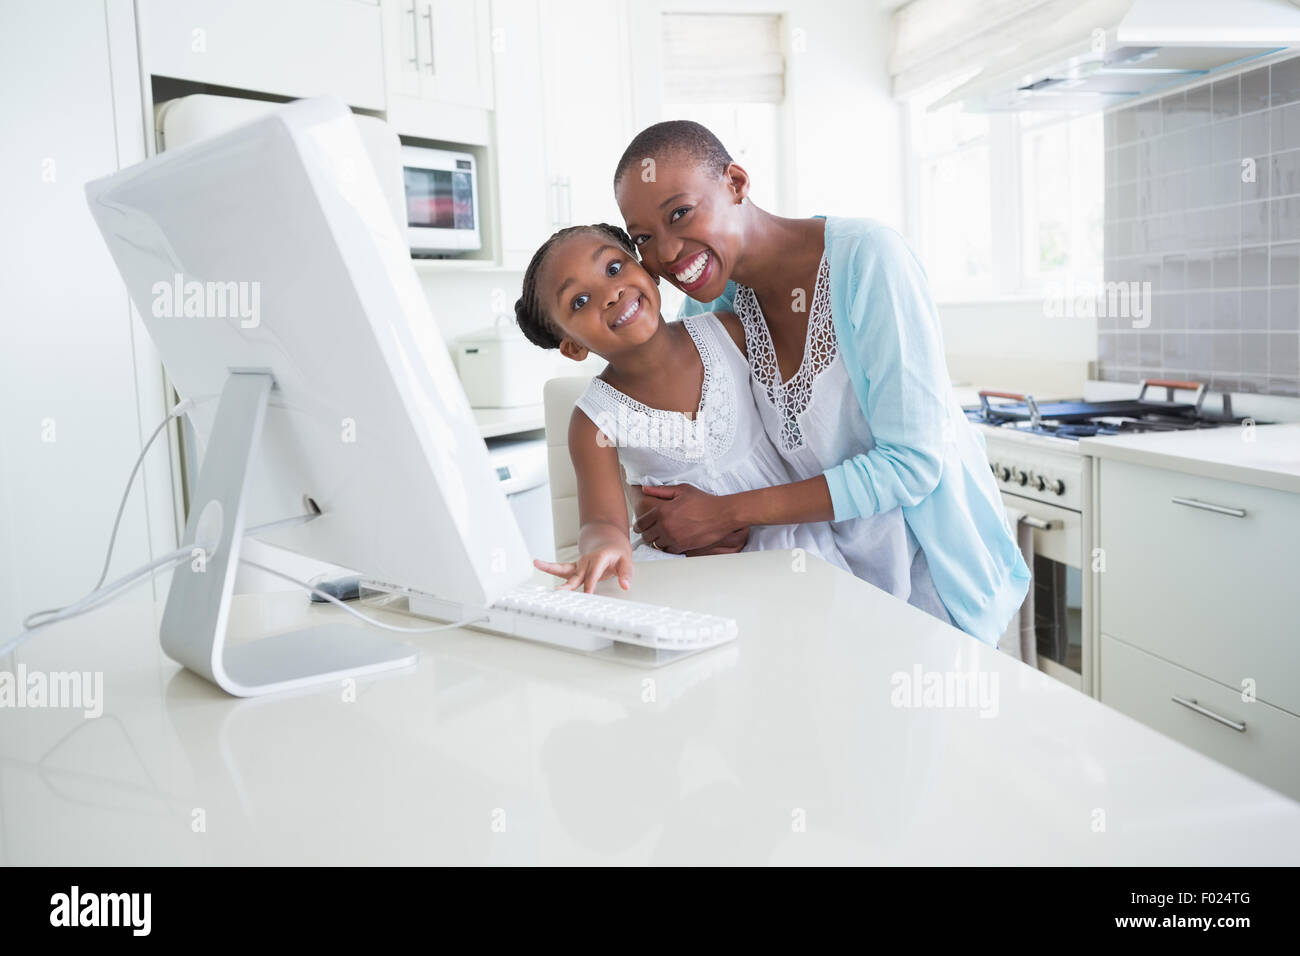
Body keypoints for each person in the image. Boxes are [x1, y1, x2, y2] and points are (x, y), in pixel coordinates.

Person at [613, 121, 1028, 644]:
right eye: (644, 238)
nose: (667, 253)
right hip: (820, 581)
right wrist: (664, 512)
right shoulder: (710, 303)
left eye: (680, 213)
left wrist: (726, 512)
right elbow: (674, 440)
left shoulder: (870, 259)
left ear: (736, 183)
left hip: (928, 575)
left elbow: (912, 463)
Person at [513, 222, 849, 593]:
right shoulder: (593, 422)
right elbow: (602, 520)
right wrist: (604, 545)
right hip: (691, 567)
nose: (610, 293)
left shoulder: (729, 333)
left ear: (649, 273)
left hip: (788, 539)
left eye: (613, 269)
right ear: (573, 347)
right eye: (579, 301)